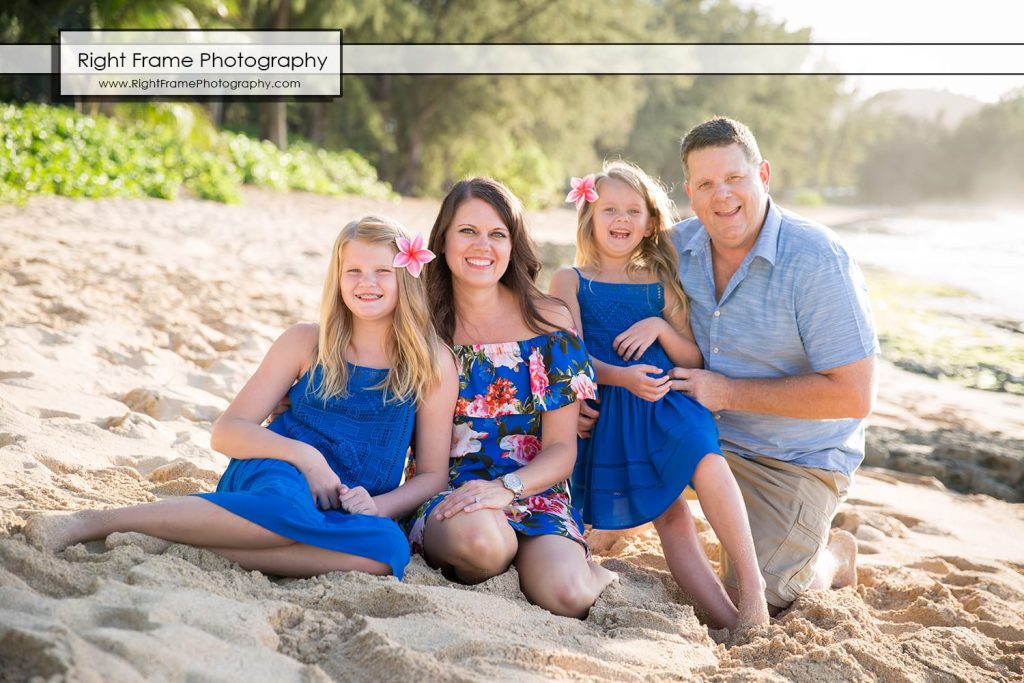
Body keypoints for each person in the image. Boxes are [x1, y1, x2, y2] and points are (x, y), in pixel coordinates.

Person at [25, 216, 459, 580]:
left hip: (350, 501)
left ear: (406, 276)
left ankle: (199, 540)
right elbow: (227, 432)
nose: (367, 283)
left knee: (387, 551)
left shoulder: (432, 362)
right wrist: (305, 457)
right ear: (338, 278)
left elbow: (433, 475)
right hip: (277, 474)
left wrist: (379, 506)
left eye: (382, 271)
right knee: (286, 510)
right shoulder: (306, 342)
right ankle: (99, 521)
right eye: (354, 272)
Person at [580, 116, 877, 615]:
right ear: (690, 194)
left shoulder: (818, 260)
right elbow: (605, 314)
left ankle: (833, 556)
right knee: (576, 516)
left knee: (768, 594)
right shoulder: (670, 250)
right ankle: (626, 511)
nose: (722, 196)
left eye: (734, 178)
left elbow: (853, 394)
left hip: (787, 457)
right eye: (706, 184)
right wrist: (586, 401)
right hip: (687, 431)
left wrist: (730, 392)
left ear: (762, 176)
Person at [549, 161, 769, 630]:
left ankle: (752, 588)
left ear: (650, 223)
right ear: (589, 215)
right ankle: (726, 620)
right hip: (608, 412)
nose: (621, 220)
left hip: (664, 404)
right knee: (670, 518)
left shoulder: (660, 282)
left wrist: (659, 328)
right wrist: (622, 378)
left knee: (709, 461)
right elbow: (574, 357)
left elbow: (691, 358)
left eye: (633, 211)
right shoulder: (570, 280)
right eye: (609, 209)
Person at [404, 177, 617, 619]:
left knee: (568, 596)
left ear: (513, 243)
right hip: (450, 491)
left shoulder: (548, 322)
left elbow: (562, 449)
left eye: (497, 234)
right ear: (442, 239)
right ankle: (503, 555)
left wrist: (507, 489)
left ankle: (591, 571)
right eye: (467, 231)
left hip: (533, 488)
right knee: (485, 546)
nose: (482, 245)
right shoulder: (419, 320)